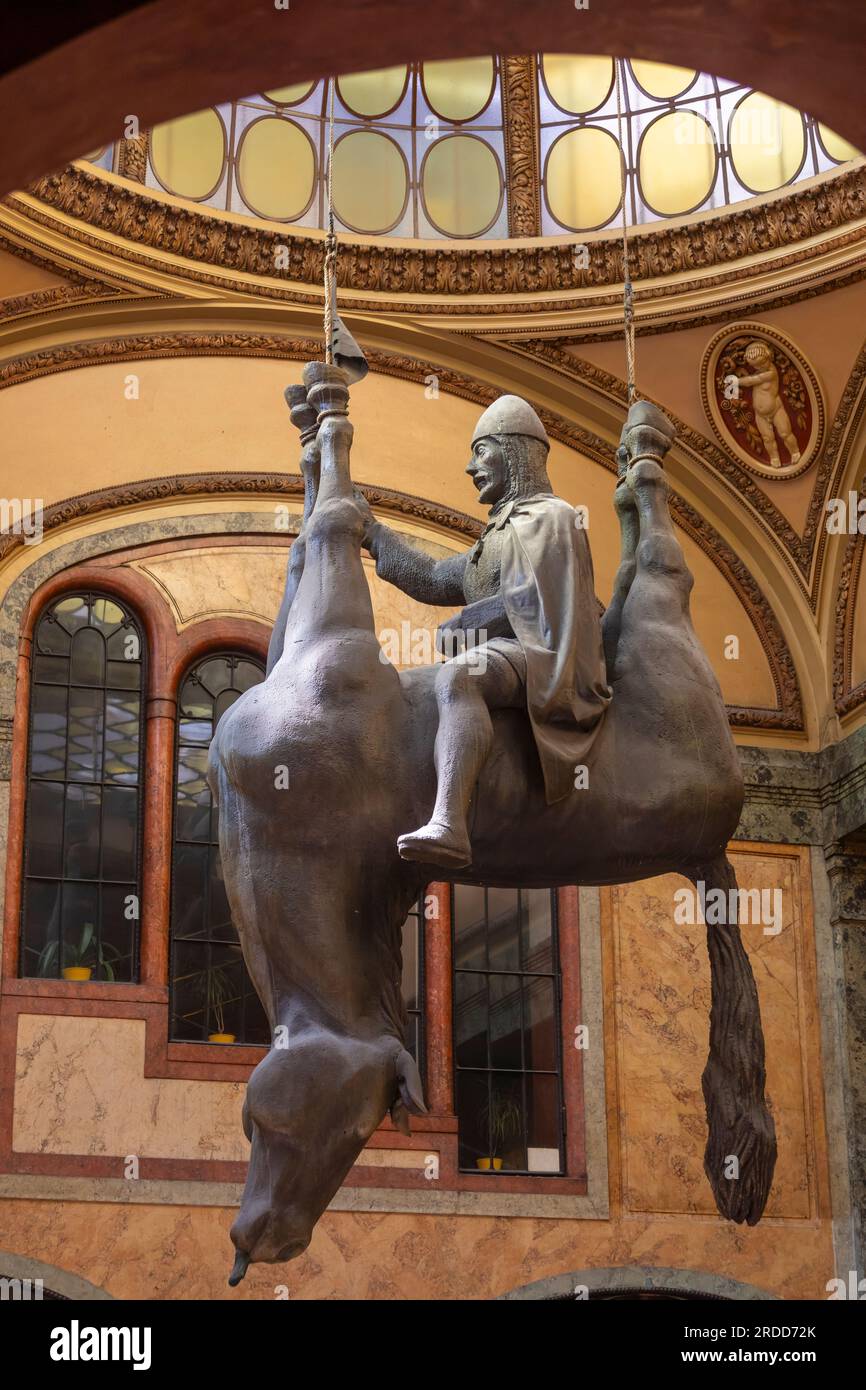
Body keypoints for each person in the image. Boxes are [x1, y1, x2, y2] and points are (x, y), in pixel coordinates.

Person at [357, 394, 612, 868]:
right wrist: (373, 534)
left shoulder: (553, 518)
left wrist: (473, 620)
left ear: (514, 453)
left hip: (543, 655)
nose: (470, 467)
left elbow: (546, 600)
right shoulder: (493, 538)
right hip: (510, 650)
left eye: (482, 452)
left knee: (459, 676)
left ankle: (450, 823)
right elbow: (433, 577)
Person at [736, 340, 801, 467]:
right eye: (755, 366)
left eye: (762, 363)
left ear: (769, 357)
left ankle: (795, 452)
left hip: (776, 409)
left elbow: (751, 381)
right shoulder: (759, 371)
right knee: (767, 438)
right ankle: (774, 458)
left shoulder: (771, 373)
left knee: (785, 433)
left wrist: (735, 381)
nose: (759, 368)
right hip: (760, 414)